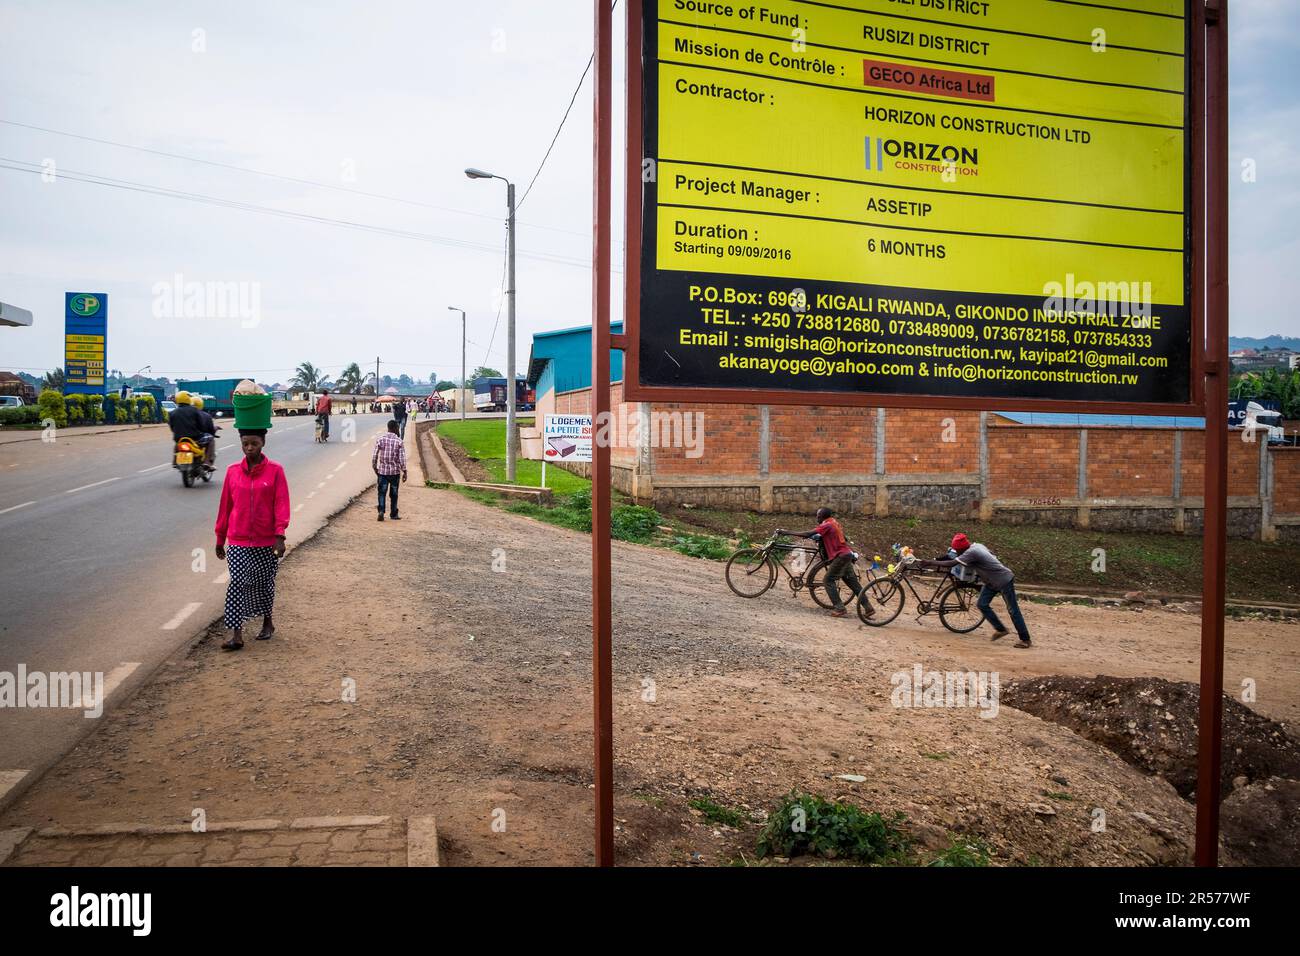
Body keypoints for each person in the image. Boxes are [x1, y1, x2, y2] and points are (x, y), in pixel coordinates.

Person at [214, 394, 289, 651]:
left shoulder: (275, 471)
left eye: (254, 443)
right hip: (238, 540)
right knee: (237, 583)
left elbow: (281, 504)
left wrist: (280, 535)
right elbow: (225, 507)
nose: (249, 448)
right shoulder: (232, 472)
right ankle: (236, 634)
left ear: (263, 442)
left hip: (266, 540)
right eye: (245, 443)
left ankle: (268, 622)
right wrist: (219, 538)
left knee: (264, 582)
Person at [923, 534, 1032, 648]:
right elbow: (991, 555)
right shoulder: (976, 546)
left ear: (963, 548)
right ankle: (1001, 629)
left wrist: (930, 562)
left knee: (1013, 610)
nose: (958, 553)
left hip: (1003, 580)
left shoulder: (972, 553)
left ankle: (1025, 639)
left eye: (958, 550)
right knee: (982, 604)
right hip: (990, 581)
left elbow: (952, 563)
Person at [779, 507, 872, 618]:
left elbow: (808, 533)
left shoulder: (827, 525)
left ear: (823, 516)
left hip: (840, 556)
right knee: (853, 583)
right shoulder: (834, 522)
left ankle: (840, 608)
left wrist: (786, 532)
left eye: (818, 516)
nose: (817, 518)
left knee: (828, 580)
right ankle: (868, 607)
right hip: (846, 555)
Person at [372, 419, 408, 521]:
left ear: (388, 428)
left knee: (381, 492)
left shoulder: (380, 439)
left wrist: (375, 467)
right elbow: (402, 458)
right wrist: (404, 471)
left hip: (382, 472)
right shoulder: (399, 441)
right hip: (394, 472)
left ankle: (381, 511)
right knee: (394, 494)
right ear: (396, 428)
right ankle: (393, 514)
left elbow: (375, 455)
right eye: (397, 428)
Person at [192, 396, 219, 470]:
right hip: (199, 438)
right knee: (211, 440)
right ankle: (207, 462)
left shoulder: (187, 414)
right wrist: (213, 431)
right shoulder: (206, 415)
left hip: (187, 437)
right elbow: (210, 429)